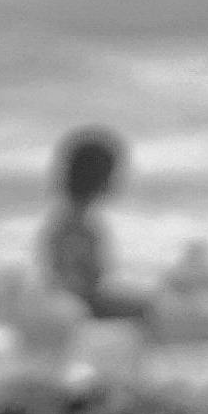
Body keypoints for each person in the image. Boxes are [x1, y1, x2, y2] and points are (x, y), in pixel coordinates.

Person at [33, 128, 150, 326]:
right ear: (99, 176)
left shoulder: (73, 217)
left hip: (79, 302)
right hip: (79, 306)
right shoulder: (75, 223)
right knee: (153, 309)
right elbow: (71, 282)